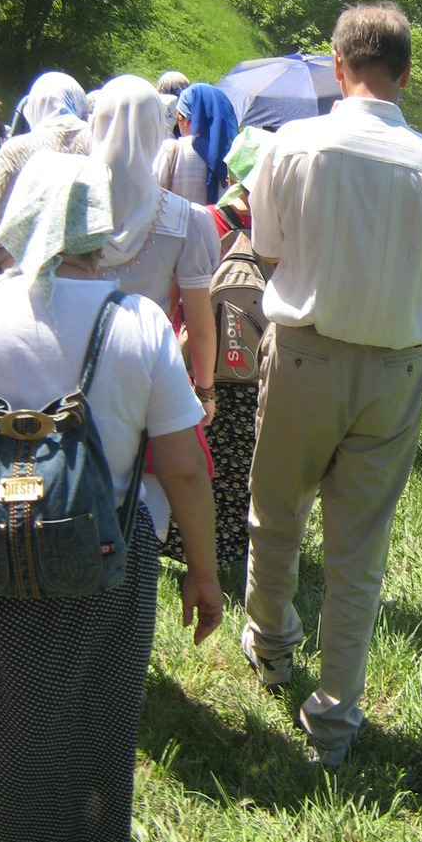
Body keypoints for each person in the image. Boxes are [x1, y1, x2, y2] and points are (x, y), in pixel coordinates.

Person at [242, 2, 422, 768]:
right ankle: (336, 719)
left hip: (304, 354)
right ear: (406, 74)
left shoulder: (294, 144)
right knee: (359, 551)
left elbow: (268, 249)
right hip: (393, 369)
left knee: (276, 511)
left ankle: (274, 647)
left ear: (337, 64)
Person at [0, 150, 223, 842]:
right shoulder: (137, 323)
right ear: (99, 231)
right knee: (85, 701)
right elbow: (182, 468)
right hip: (101, 558)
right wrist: (203, 573)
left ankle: (2, 833)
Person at [89, 76, 221, 541]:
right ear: (157, 130)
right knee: (141, 515)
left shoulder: (72, 205)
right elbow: (201, 324)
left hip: (74, 361)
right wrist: (204, 390)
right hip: (148, 367)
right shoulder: (183, 218)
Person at [161, 125, 276, 566]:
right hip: (259, 365)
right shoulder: (283, 228)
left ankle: (190, 544)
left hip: (202, 363)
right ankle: (242, 547)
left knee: (200, 456)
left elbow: (180, 292)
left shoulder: (205, 219)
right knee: (249, 460)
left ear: (232, 172)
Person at [0, 71, 92, 277]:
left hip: (22, 278)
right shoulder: (100, 144)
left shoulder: (17, 149)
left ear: (32, 107)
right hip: (84, 276)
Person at [153, 82, 238, 206]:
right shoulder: (235, 157)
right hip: (214, 225)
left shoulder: (172, 150)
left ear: (187, 120)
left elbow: (151, 195)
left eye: (179, 118)